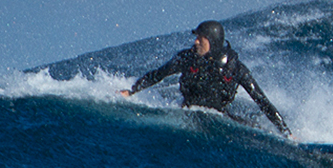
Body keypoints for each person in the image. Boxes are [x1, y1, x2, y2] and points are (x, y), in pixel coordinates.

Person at [121, 20, 292, 138]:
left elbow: (261, 100)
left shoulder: (234, 68)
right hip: (188, 112)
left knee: (258, 130)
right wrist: (132, 91)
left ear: (212, 41)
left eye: (200, 38)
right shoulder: (187, 58)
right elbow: (157, 75)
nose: (195, 42)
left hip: (220, 118)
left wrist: (286, 132)